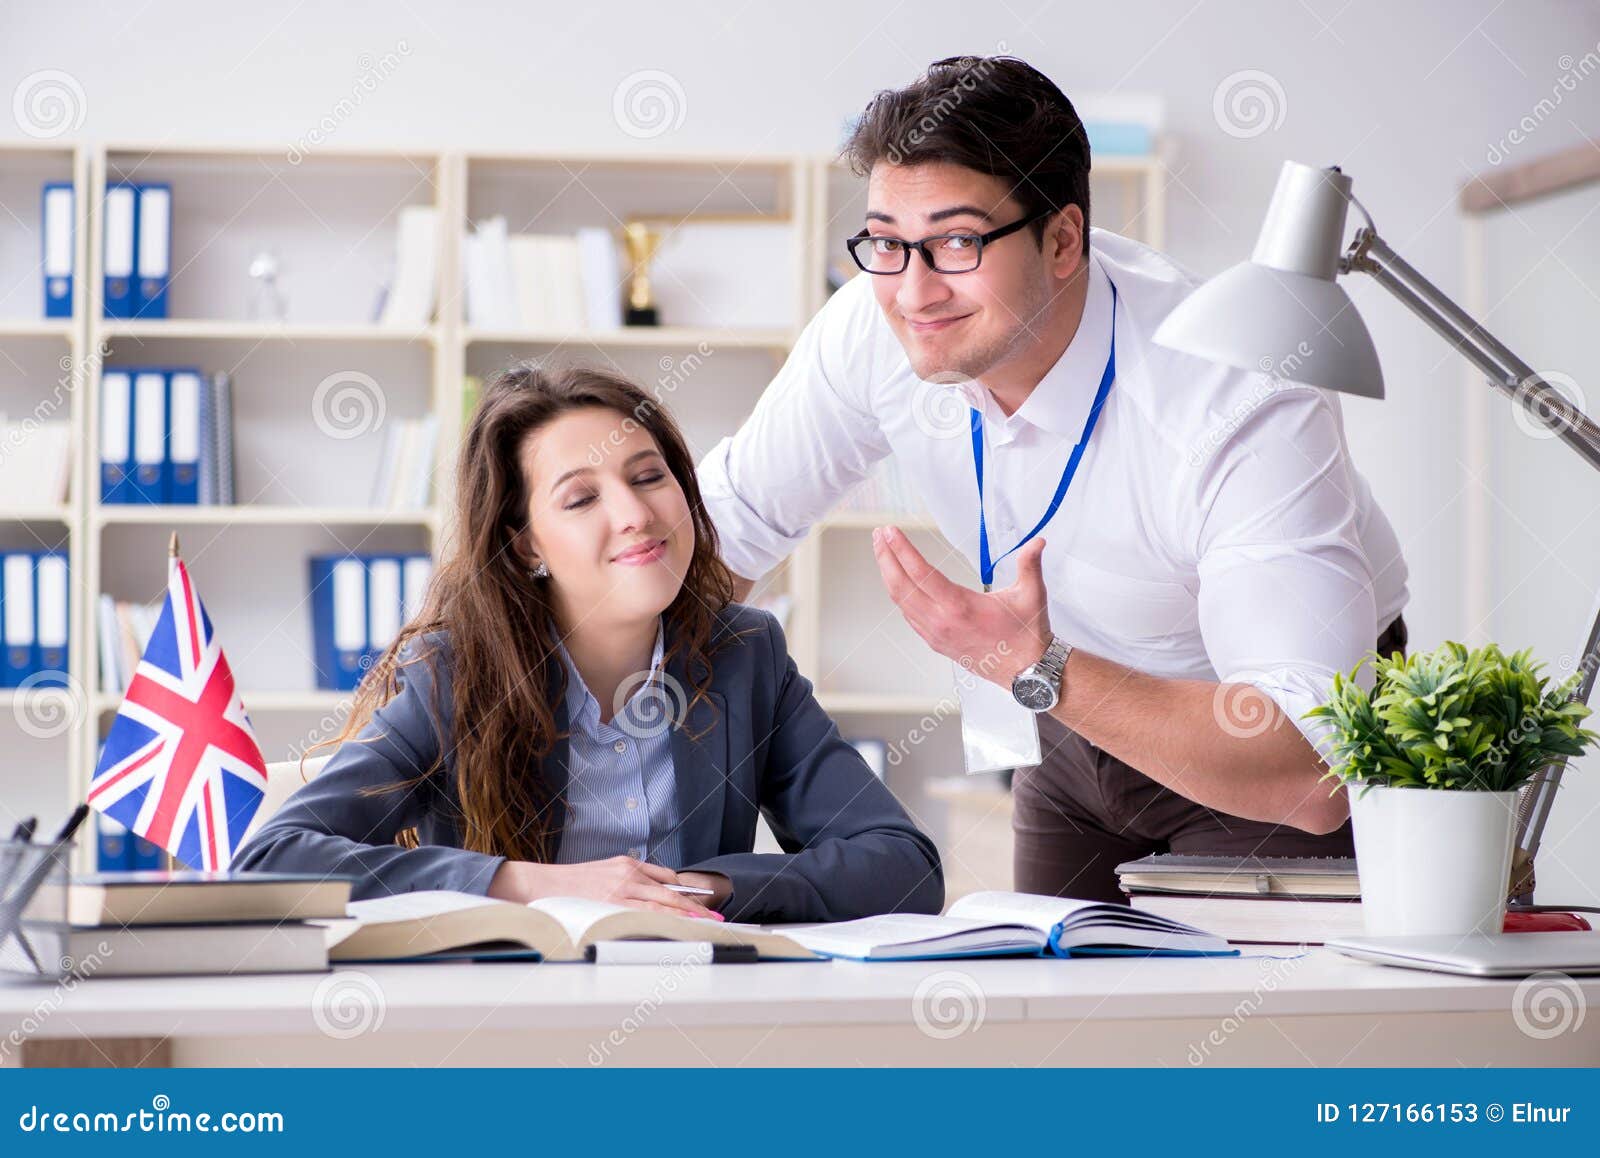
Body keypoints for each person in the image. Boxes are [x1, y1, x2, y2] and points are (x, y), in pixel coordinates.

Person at [696, 56, 1410, 904]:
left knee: (1250, 991)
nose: (913, 292)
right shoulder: (873, 325)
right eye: (886, 241)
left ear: (1063, 240)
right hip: (1065, 708)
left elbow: (1308, 768)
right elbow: (723, 532)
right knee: (1048, 980)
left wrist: (1030, 665)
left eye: (957, 242)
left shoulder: (1237, 398)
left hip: (1245, 731)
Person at [234, 364, 943, 923]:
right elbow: (272, 859)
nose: (636, 514)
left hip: (693, 1006)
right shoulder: (453, 674)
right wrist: (536, 886)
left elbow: (903, 865)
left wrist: (694, 889)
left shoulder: (744, 654)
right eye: (581, 499)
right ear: (526, 546)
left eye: (649, 477)